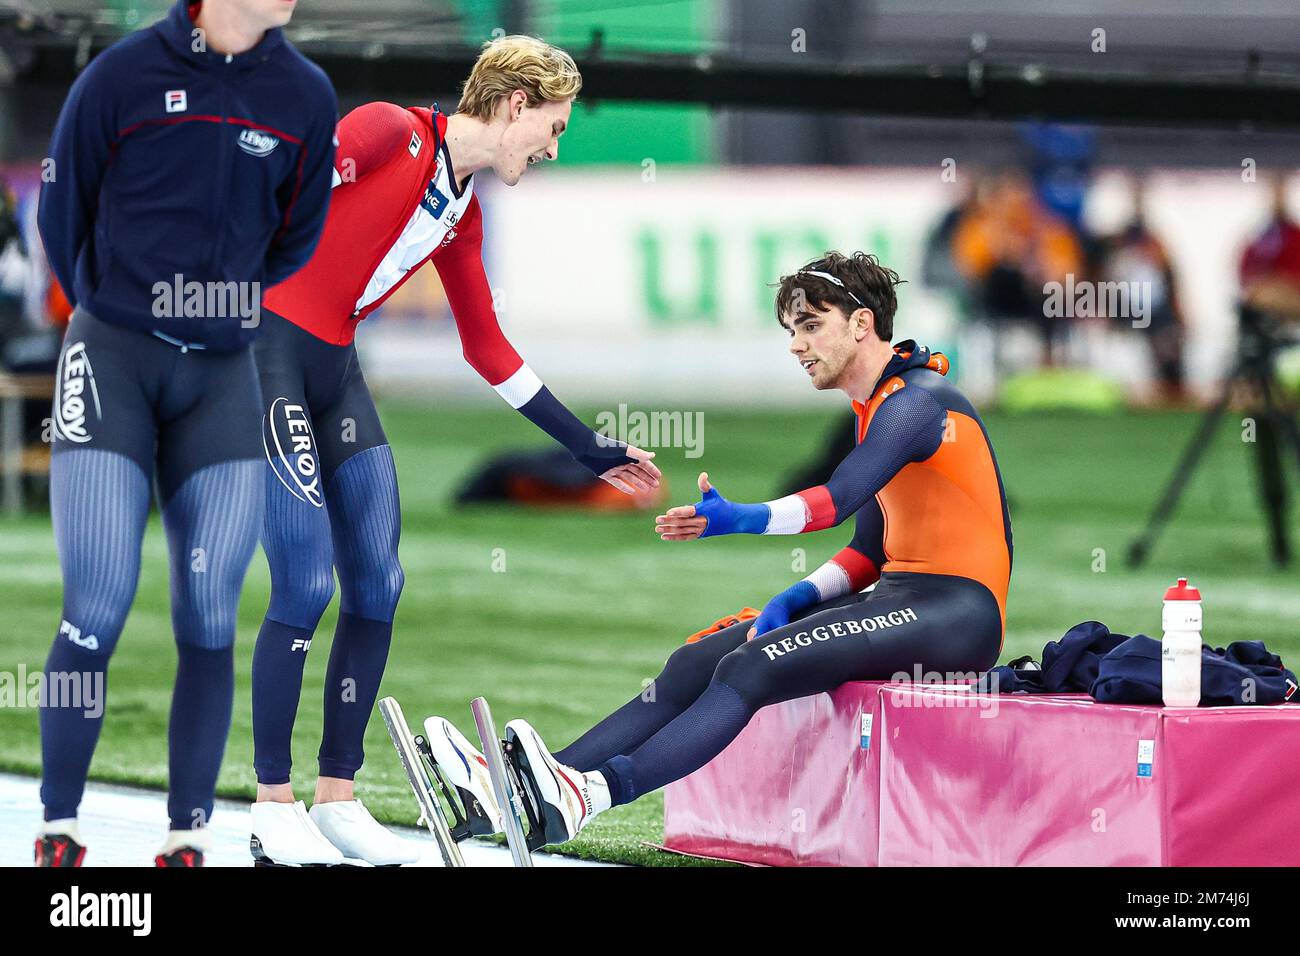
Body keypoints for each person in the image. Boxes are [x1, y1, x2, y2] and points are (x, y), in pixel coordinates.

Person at [429, 250, 1012, 844]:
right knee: (693, 664)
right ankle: (528, 785)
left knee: (749, 666)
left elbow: (836, 502)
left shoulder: (919, 403)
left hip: (956, 617)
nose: (796, 345)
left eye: (811, 325)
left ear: (861, 324)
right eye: (792, 330)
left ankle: (590, 795)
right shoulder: (875, 409)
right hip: (903, 600)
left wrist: (738, 518)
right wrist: (796, 597)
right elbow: (869, 552)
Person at [248, 34, 661, 866]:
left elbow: (488, 348)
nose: (553, 146)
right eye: (553, 127)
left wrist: (586, 446)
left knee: (379, 578)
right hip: (262, 353)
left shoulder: (462, 211)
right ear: (514, 105)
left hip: (333, 368)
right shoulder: (385, 129)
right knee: (303, 578)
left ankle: (336, 795)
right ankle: (270, 802)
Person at [34, 0, 337, 867]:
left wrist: (220, 309)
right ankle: (59, 826)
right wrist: (119, 305)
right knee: (96, 601)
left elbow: (296, 237)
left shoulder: (302, 94)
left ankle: (187, 835)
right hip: (114, 357)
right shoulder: (122, 74)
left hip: (220, 377)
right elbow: (63, 216)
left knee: (209, 612)